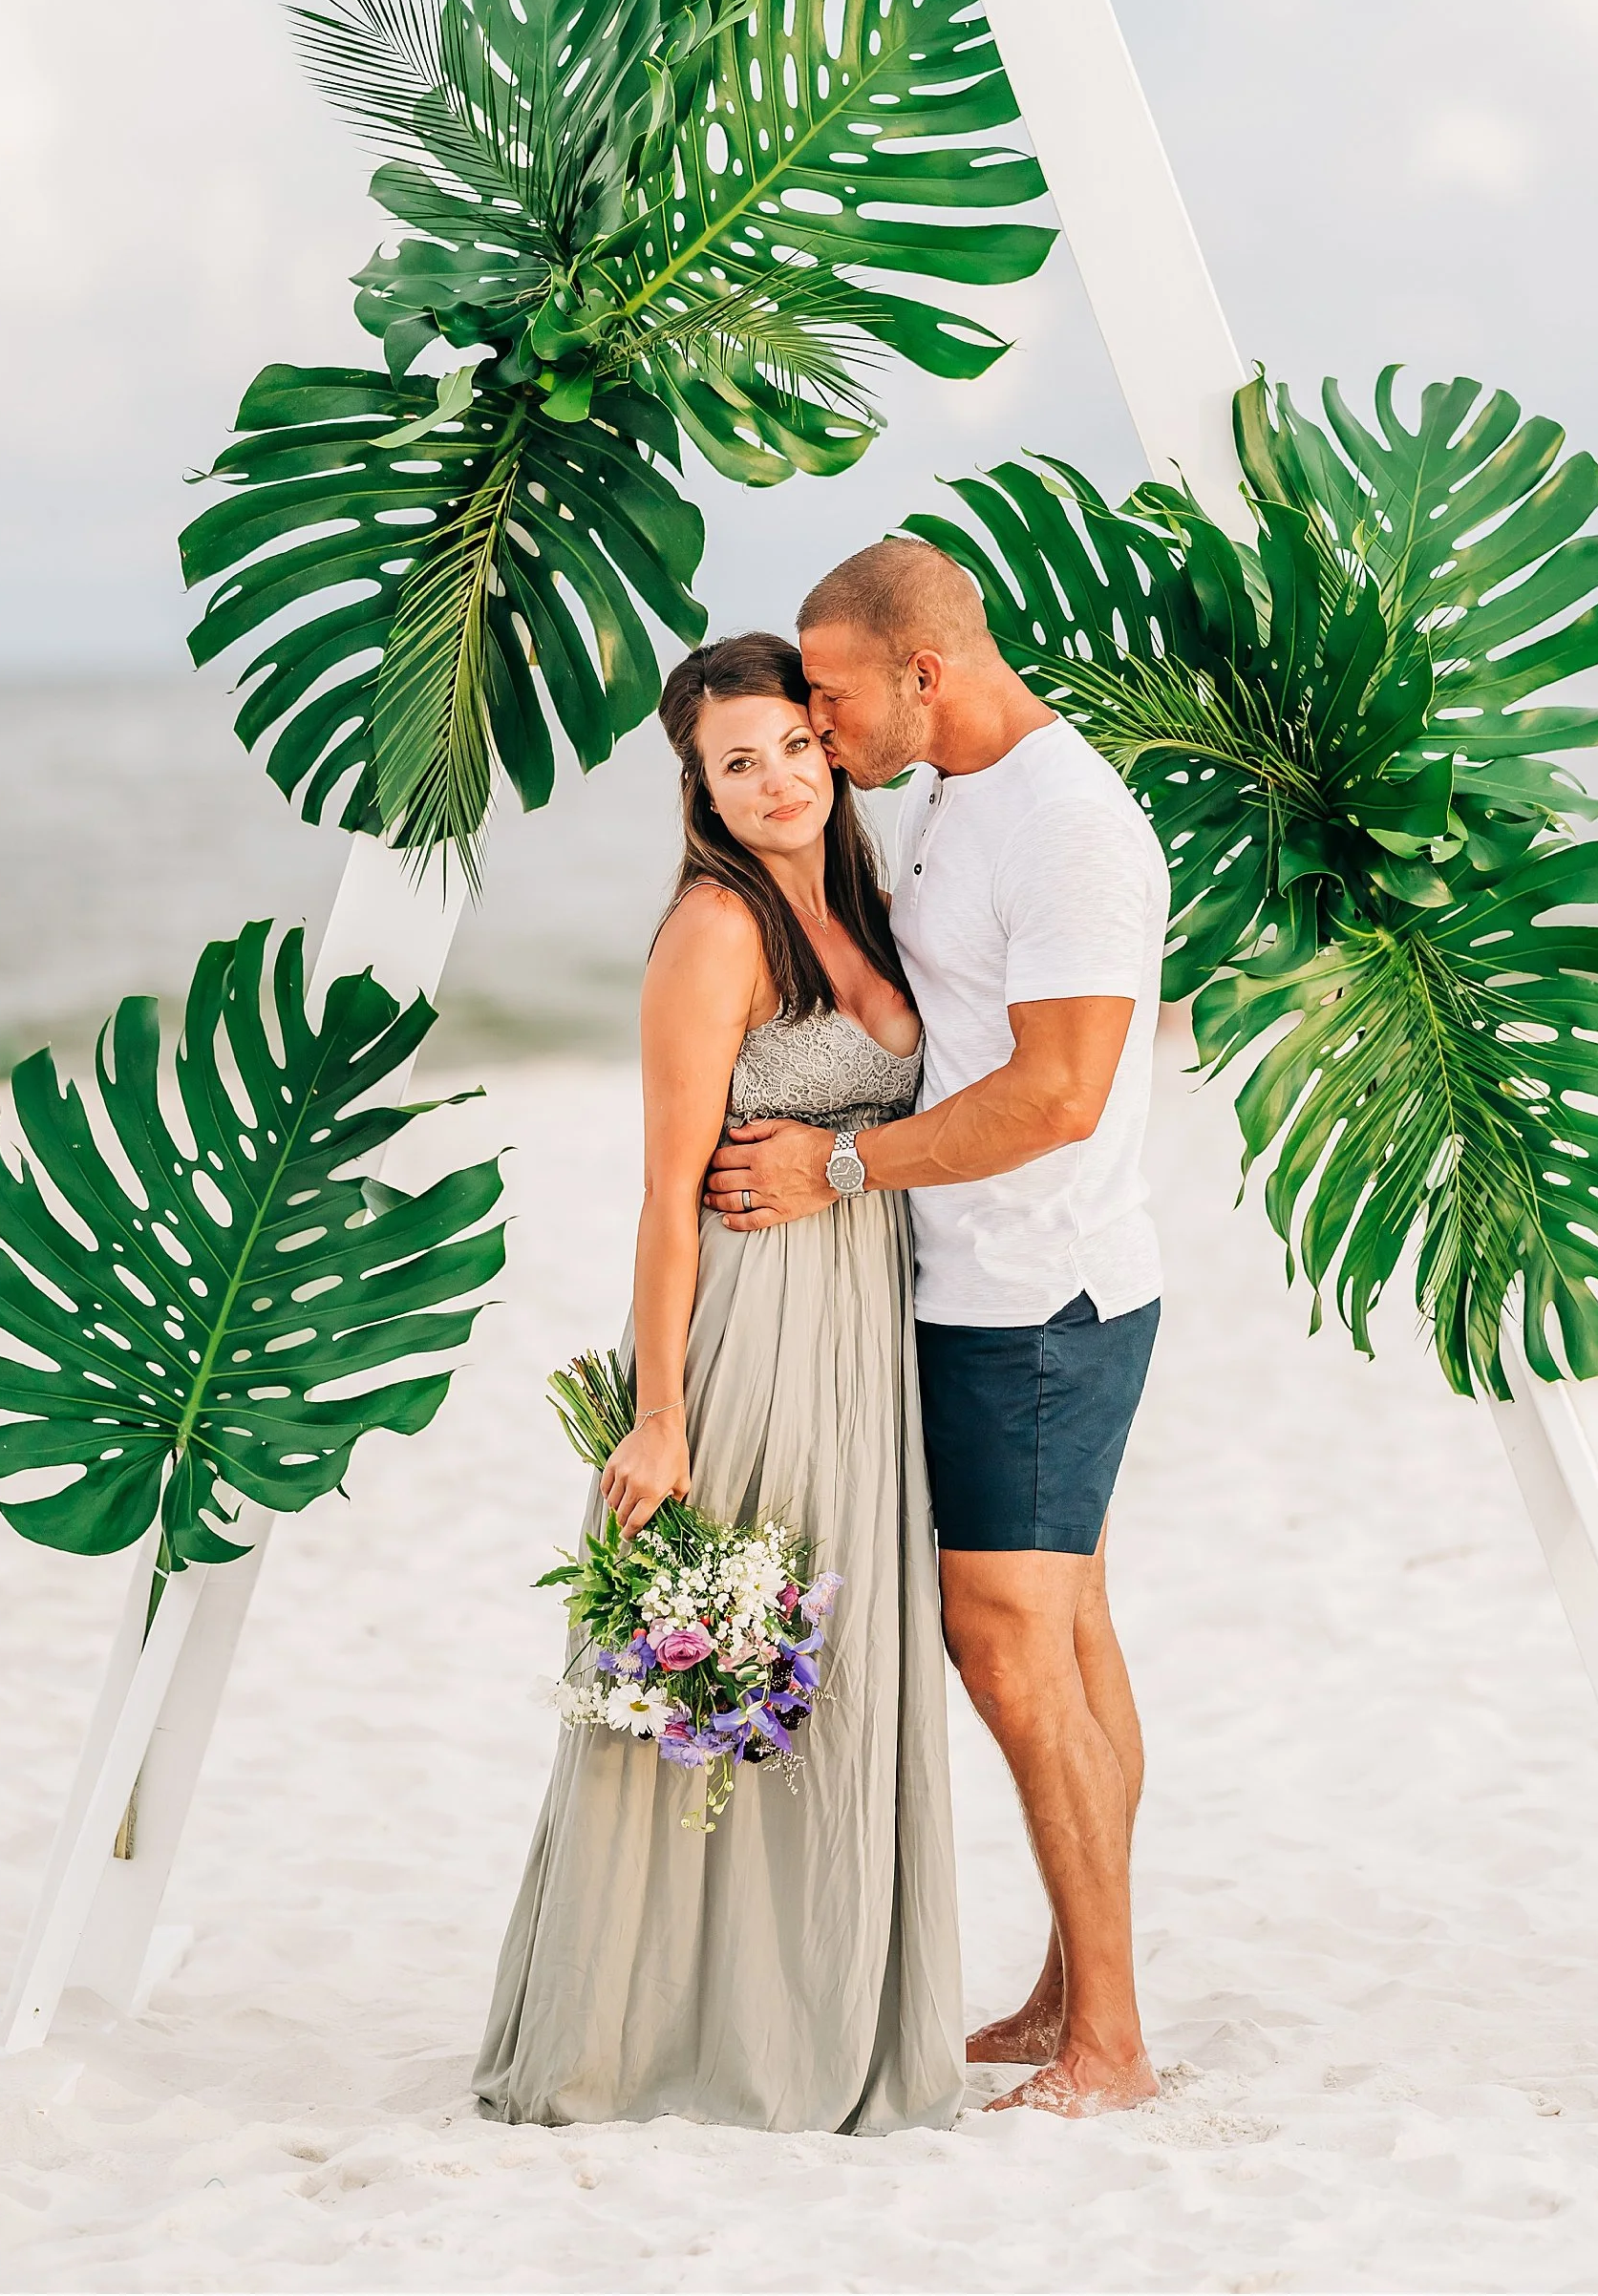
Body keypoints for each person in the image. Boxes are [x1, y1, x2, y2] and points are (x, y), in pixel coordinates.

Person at [475, 630, 964, 2134]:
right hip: (757, 1325)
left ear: (831, 748)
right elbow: (665, 1193)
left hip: (868, 1323)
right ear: (699, 785)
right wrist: (665, 1414)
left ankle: (823, 2004)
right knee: (729, 1664)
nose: (775, 782)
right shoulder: (716, 931)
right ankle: (658, 2035)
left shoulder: (873, 900)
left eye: (793, 749)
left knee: (836, 1662)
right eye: (735, 761)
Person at [705, 541, 1169, 2119]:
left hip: (1036, 1295)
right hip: (997, 1282)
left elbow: (1060, 1092)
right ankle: (1072, 1989)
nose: (816, 728)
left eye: (828, 695)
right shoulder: (956, 792)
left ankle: (1110, 2039)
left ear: (926, 670)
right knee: (1069, 1632)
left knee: (1007, 1639)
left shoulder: (1071, 826)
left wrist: (837, 1166)